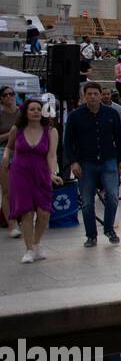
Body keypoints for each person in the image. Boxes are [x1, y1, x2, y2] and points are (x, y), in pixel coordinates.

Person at [65, 81, 121, 247]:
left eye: (95, 93)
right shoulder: (75, 116)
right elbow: (68, 142)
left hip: (108, 160)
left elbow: (119, 139)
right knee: (86, 201)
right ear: (84, 96)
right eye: (89, 94)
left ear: (101, 95)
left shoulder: (111, 114)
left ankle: (109, 229)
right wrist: (73, 162)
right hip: (86, 163)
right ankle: (91, 235)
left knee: (113, 196)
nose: (92, 97)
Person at [2, 97, 62, 263]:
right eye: (32, 109)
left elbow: (52, 155)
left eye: (38, 109)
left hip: (42, 173)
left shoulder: (51, 131)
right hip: (20, 173)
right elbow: (9, 147)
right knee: (27, 213)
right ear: (26, 112)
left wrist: (52, 173)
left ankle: (36, 243)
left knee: (44, 213)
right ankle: (29, 250)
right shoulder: (17, 129)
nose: (35, 112)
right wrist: (6, 157)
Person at [0, 85, 19, 234]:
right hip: (3, 151)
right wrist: (12, 133)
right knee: (7, 190)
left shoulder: (22, 112)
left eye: (11, 94)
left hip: (22, 151)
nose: (9, 97)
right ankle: (11, 224)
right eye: (5, 95)